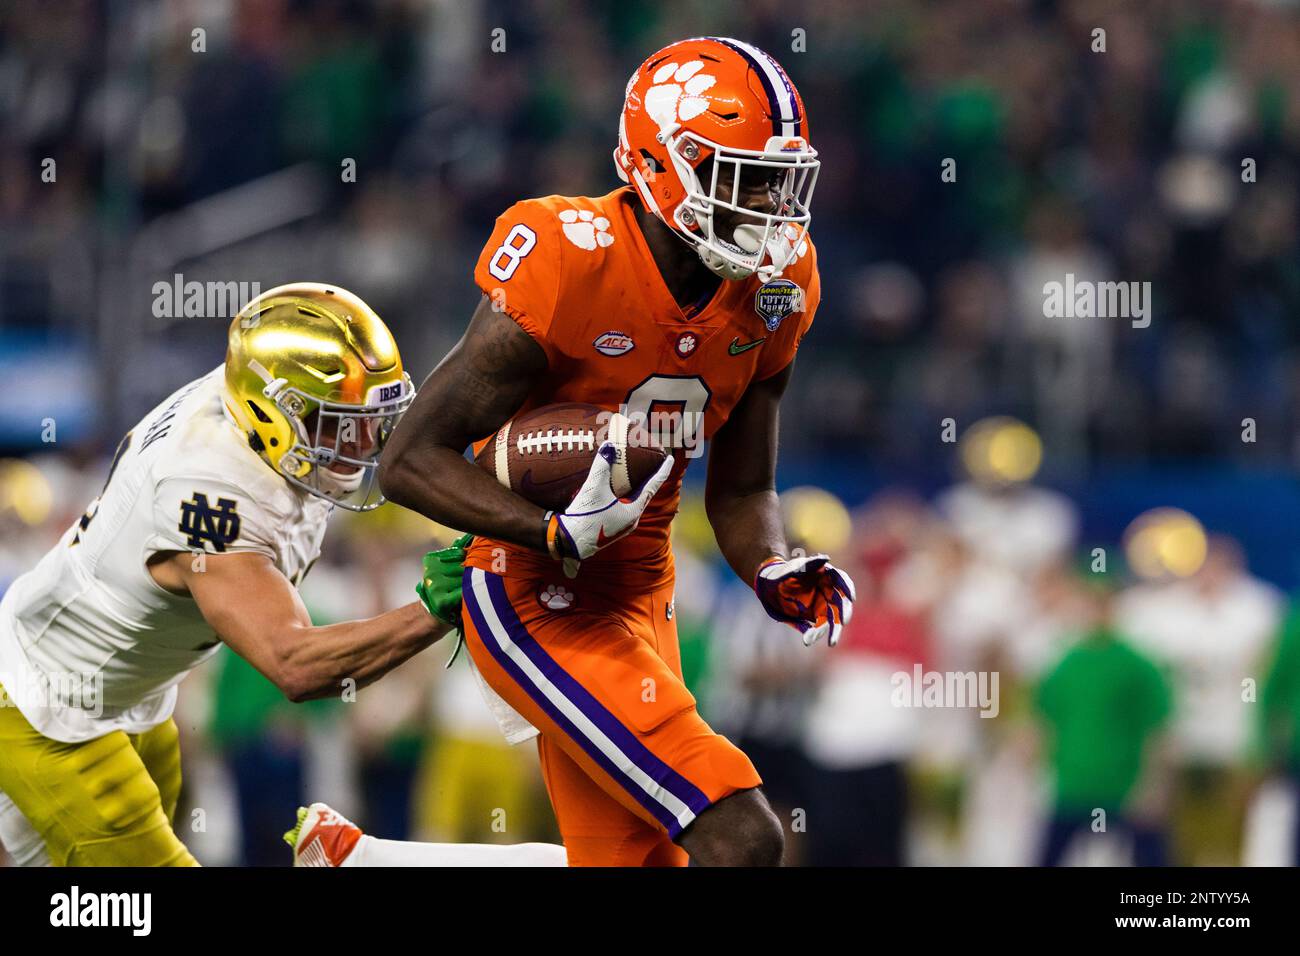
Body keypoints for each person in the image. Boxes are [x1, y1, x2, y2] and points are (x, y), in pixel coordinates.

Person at [378, 36, 855, 867]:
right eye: (743, 177)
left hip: (644, 591)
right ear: (663, 163)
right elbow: (410, 459)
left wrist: (772, 568)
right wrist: (551, 531)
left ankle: (368, 860)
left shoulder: (781, 286)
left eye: (779, 179)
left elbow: (744, 491)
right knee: (743, 834)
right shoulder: (568, 256)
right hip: (530, 593)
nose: (770, 204)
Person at [0, 283, 454, 866]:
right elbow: (295, 663)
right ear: (271, 411)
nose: (366, 444)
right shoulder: (209, 491)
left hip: (135, 692)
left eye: (372, 419)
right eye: (341, 425)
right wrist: (436, 607)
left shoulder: (254, 406)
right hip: (55, 709)